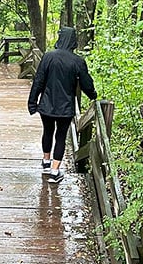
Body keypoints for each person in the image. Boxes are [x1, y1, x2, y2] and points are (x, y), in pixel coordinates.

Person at [27, 27, 96, 184]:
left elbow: (39, 80)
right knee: (60, 137)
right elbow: (86, 83)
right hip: (65, 107)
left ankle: (46, 162)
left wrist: (32, 102)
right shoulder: (77, 61)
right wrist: (93, 96)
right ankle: (55, 171)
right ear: (73, 41)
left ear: (60, 39)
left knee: (48, 131)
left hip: (46, 105)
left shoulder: (48, 57)